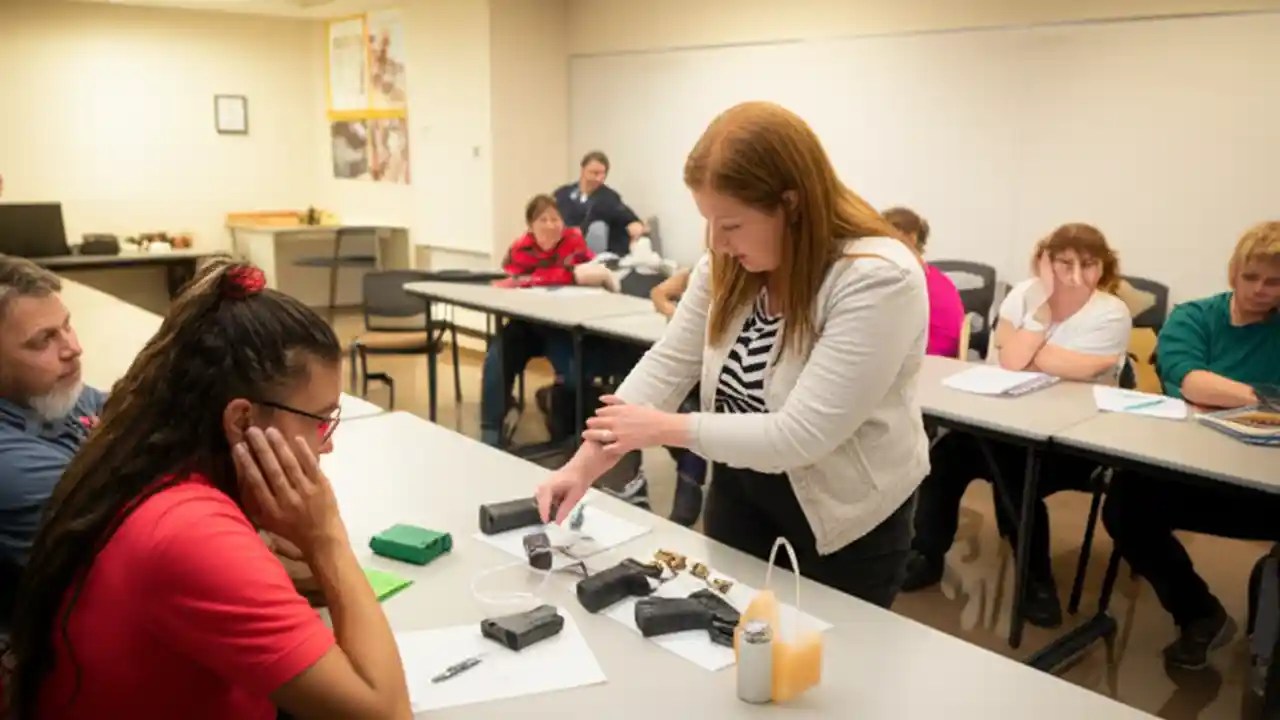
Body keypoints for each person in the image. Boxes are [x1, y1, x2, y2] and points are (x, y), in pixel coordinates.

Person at [534, 101, 930, 606]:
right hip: (744, 490)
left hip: (843, 515)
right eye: (709, 223)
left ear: (790, 203)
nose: (717, 243)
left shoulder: (877, 278)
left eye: (732, 224)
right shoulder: (728, 265)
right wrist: (584, 465)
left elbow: (801, 435)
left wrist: (662, 428)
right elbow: (669, 362)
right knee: (729, 642)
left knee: (823, 669)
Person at [3, 262, 410, 719]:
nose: (328, 442)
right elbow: (386, 713)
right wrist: (327, 538)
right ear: (240, 421)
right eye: (320, 419)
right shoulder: (189, 530)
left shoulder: (153, 466)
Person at [902, 224, 1132, 628]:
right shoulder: (1024, 295)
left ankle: (1035, 579)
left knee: (1011, 472)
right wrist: (1042, 311)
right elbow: (1011, 362)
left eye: (1088, 264)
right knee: (944, 457)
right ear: (1045, 262)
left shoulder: (1111, 311)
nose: (1074, 274)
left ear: (1104, 268)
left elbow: (1073, 366)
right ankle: (926, 553)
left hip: (1073, 436)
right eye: (1063, 263)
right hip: (1004, 422)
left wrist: (1026, 348)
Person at [1102, 221, 1280, 670]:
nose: (1261, 290)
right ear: (1232, 274)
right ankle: (1200, 614)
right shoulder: (1194, 316)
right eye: (1251, 277)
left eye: (1275, 281)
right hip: (1196, 470)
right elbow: (1189, 380)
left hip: (1268, 479)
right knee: (1125, 504)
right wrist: (1266, 397)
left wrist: (1232, 392)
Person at [0, 257, 106, 625]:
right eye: (44, 339)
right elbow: (139, 534)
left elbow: (138, 412)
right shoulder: (10, 464)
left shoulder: (48, 389)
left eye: (67, 327)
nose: (72, 348)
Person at [480, 194, 596, 447]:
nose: (551, 225)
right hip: (527, 324)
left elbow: (586, 272)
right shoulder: (520, 248)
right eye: (543, 219)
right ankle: (491, 429)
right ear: (530, 225)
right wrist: (551, 276)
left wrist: (534, 279)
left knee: (574, 369)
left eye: (556, 219)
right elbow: (508, 280)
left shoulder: (574, 241)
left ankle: (566, 429)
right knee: (496, 358)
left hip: (564, 325)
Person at [647, 269, 708, 526]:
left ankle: (684, 511)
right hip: (691, 379)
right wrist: (678, 315)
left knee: (692, 423)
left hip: (717, 387)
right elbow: (659, 292)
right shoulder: (701, 271)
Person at [882, 207, 966, 358]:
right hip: (944, 355)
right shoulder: (931, 274)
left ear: (910, 238)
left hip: (930, 357)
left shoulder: (906, 275)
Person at [554, 151, 648, 256]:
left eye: (603, 174)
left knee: (598, 227)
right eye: (594, 173)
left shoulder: (609, 198)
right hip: (562, 250)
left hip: (593, 255)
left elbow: (628, 217)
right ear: (582, 170)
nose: (599, 179)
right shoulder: (562, 194)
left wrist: (636, 224)